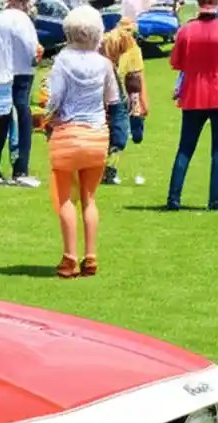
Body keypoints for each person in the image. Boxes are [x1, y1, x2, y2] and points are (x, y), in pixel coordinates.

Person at [45, 6, 119, 278]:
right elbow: (112, 98)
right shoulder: (104, 63)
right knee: (89, 199)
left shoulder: (63, 60)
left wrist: (49, 117)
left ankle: (69, 258)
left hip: (67, 133)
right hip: (96, 133)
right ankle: (91, 256)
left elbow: (55, 97)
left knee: (65, 199)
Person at [166, 0, 218, 211]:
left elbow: (177, 62)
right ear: (217, 3)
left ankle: (173, 198)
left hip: (194, 94)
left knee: (185, 147)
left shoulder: (186, 30)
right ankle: (215, 200)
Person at [0, 0, 42, 187]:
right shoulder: (21, 19)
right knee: (22, 116)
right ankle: (20, 167)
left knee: (1, 118)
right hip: (21, 71)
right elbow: (33, 49)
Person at [100, 19, 146, 185]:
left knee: (111, 133)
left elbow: (134, 80)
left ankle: (104, 170)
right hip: (110, 96)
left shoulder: (103, 47)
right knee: (116, 134)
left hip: (108, 97)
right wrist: (138, 108)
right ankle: (106, 170)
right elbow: (135, 82)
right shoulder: (127, 48)